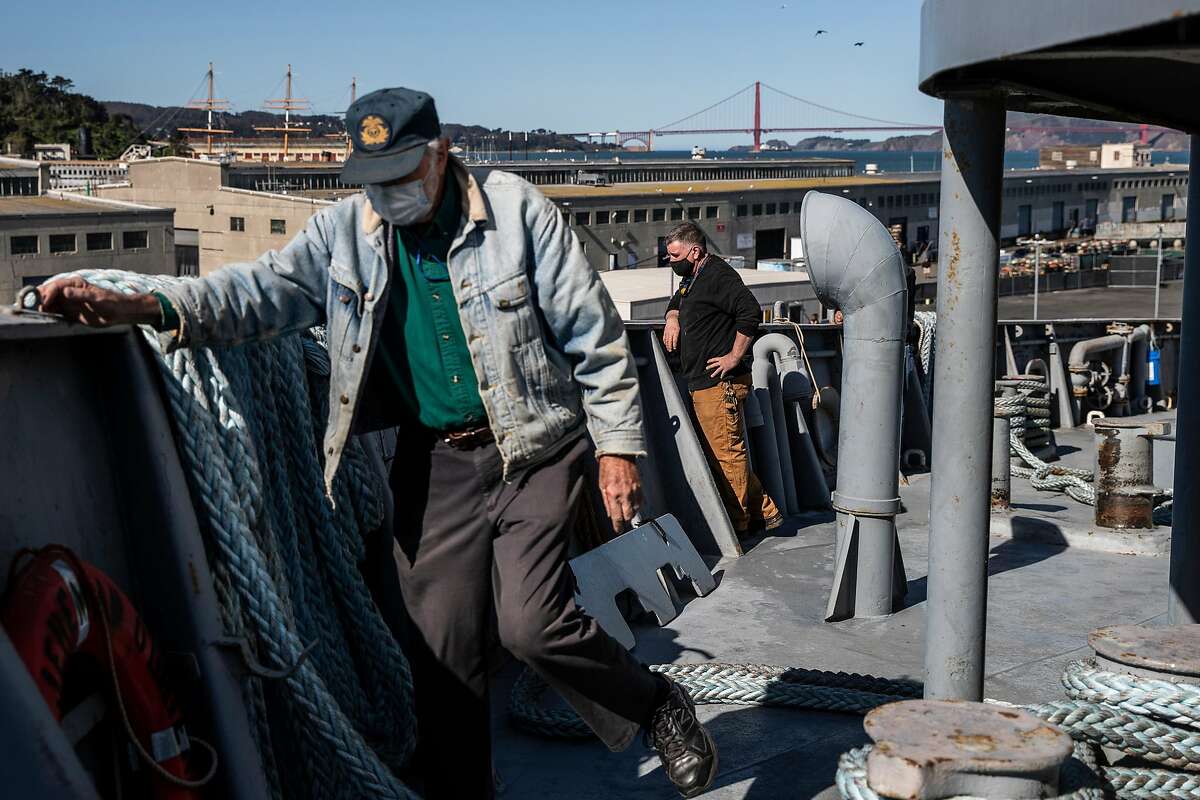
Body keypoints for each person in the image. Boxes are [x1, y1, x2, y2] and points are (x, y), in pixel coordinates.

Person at [37, 87, 717, 800]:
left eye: (400, 177)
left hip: (536, 446)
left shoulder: (518, 212)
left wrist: (617, 449)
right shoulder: (345, 235)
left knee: (531, 625)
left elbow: (595, 336)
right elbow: (261, 293)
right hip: (439, 458)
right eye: (372, 180)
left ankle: (657, 706)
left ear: (440, 154)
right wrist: (151, 304)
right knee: (441, 652)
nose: (385, 196)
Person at [661, 222, 783, 537]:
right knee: (724, 456)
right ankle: (766, 512)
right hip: (705, 384)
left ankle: (740, 522)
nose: (670, 261)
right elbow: (680, 300)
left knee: (727, 456)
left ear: (695, 251)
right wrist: (672, 316)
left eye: (675, 255)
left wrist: (732, 357)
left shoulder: (718, 277)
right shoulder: (694, 278)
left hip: (720, 384)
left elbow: (750, 312)